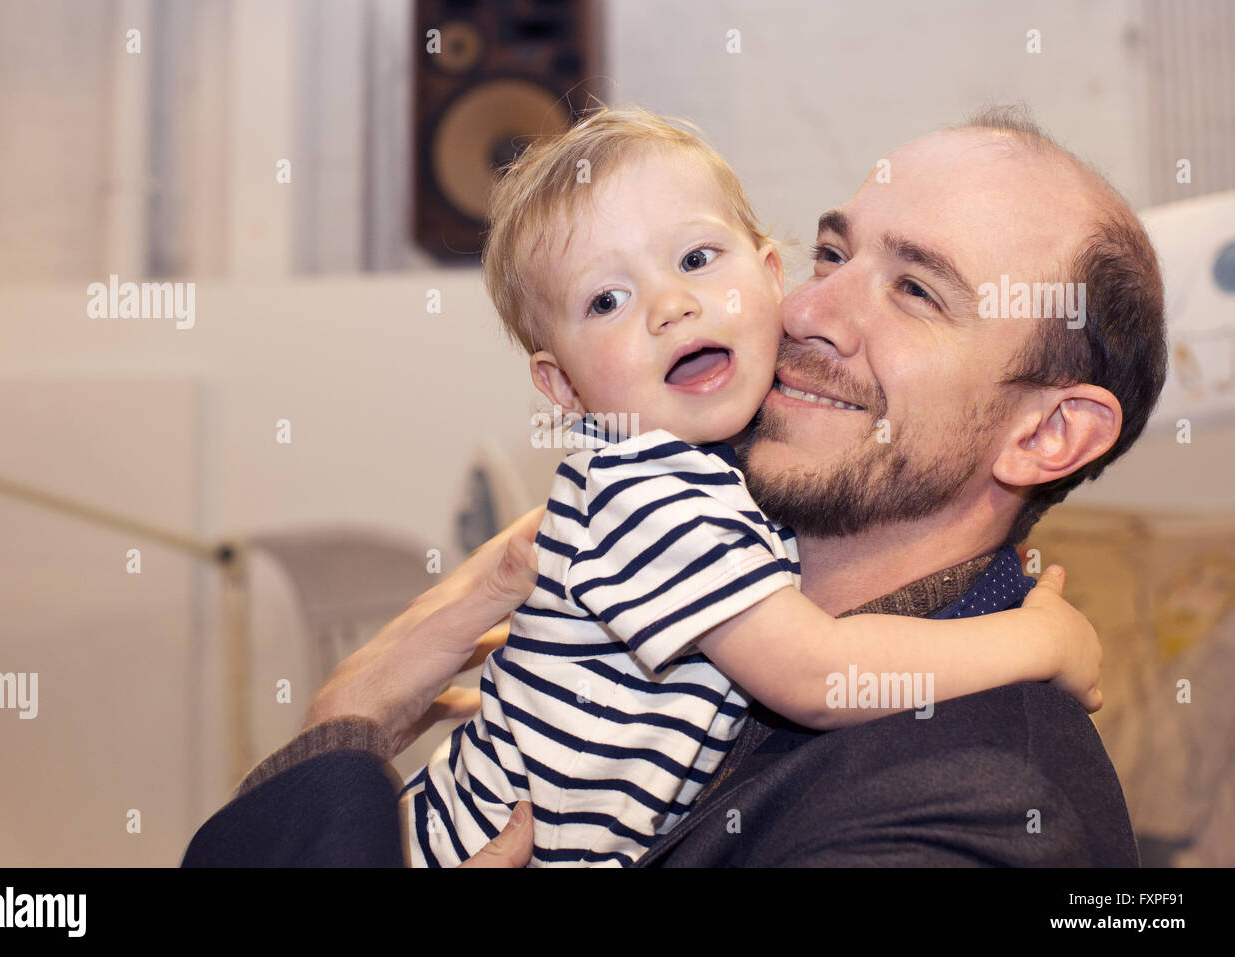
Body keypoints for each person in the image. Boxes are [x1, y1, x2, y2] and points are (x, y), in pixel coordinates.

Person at [182, 105, 1164, 867]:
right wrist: (348, 723)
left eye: (914, 290)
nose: (808, 307)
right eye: (830, 254)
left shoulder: (982, 808)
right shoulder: (673, 513)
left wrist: (338, 744)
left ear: (1048, 433)